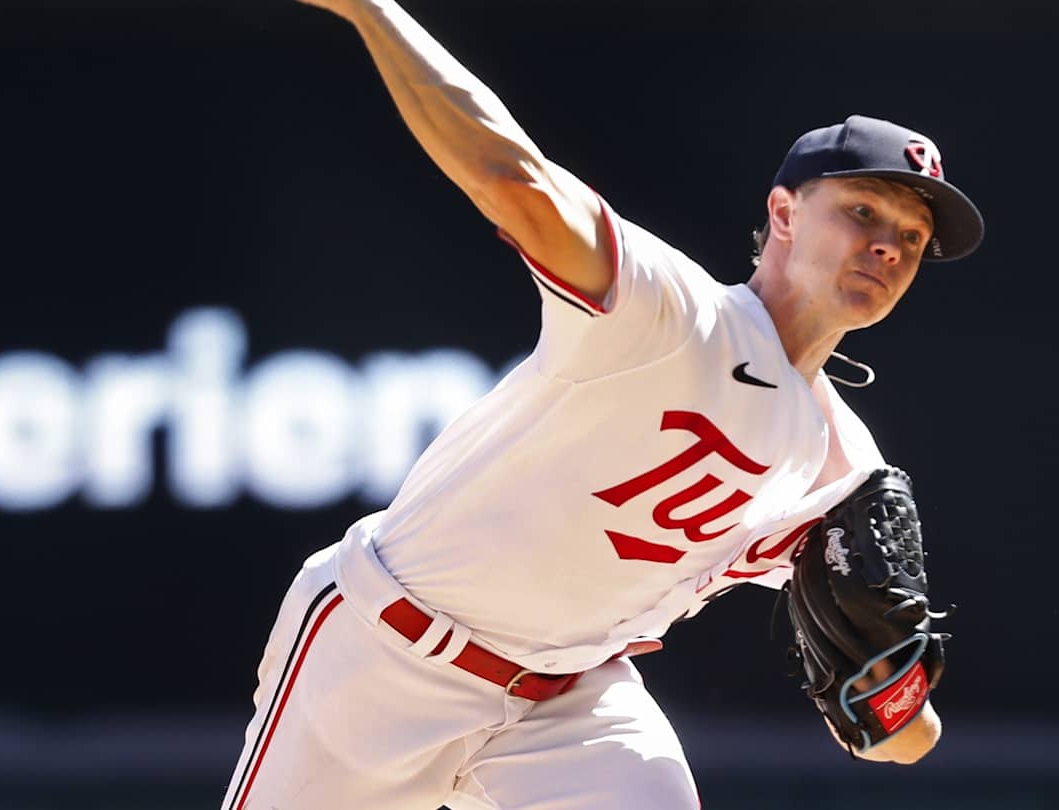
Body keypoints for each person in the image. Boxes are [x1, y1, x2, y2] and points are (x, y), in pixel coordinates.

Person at [221, 1, 985, 807]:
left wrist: (898, 699)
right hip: (386, 656)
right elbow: (507, 174)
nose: (886, 246)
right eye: (863, 211)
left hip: (572, 701)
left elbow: (893, 742)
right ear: (785, 212)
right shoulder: (667, 313)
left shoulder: (842, 465)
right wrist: (372, 11)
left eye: (910, 237)